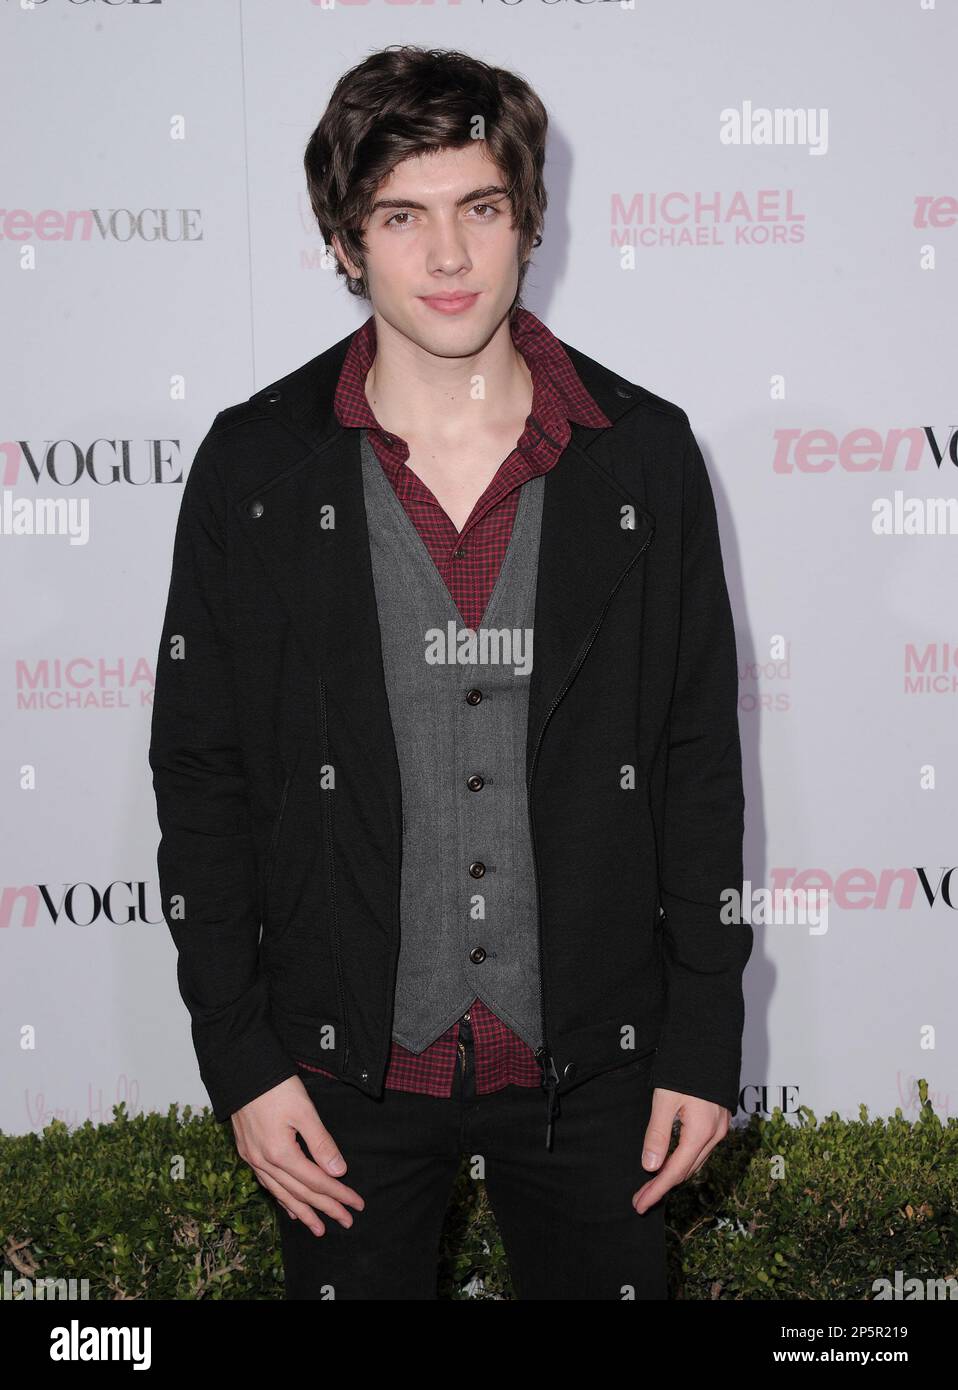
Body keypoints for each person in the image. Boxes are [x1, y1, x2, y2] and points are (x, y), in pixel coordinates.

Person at [148, 44, 752, 1301]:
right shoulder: (255, 470)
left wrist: (701, 1038)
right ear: (343, 239)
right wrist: (244, 1061)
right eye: (401, 216)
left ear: (528, 218)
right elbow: (200, 776)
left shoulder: (639, 458)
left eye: (479, 207)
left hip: (600, 1064)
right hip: (338, 1071)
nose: (446, 257)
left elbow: (696, 761)